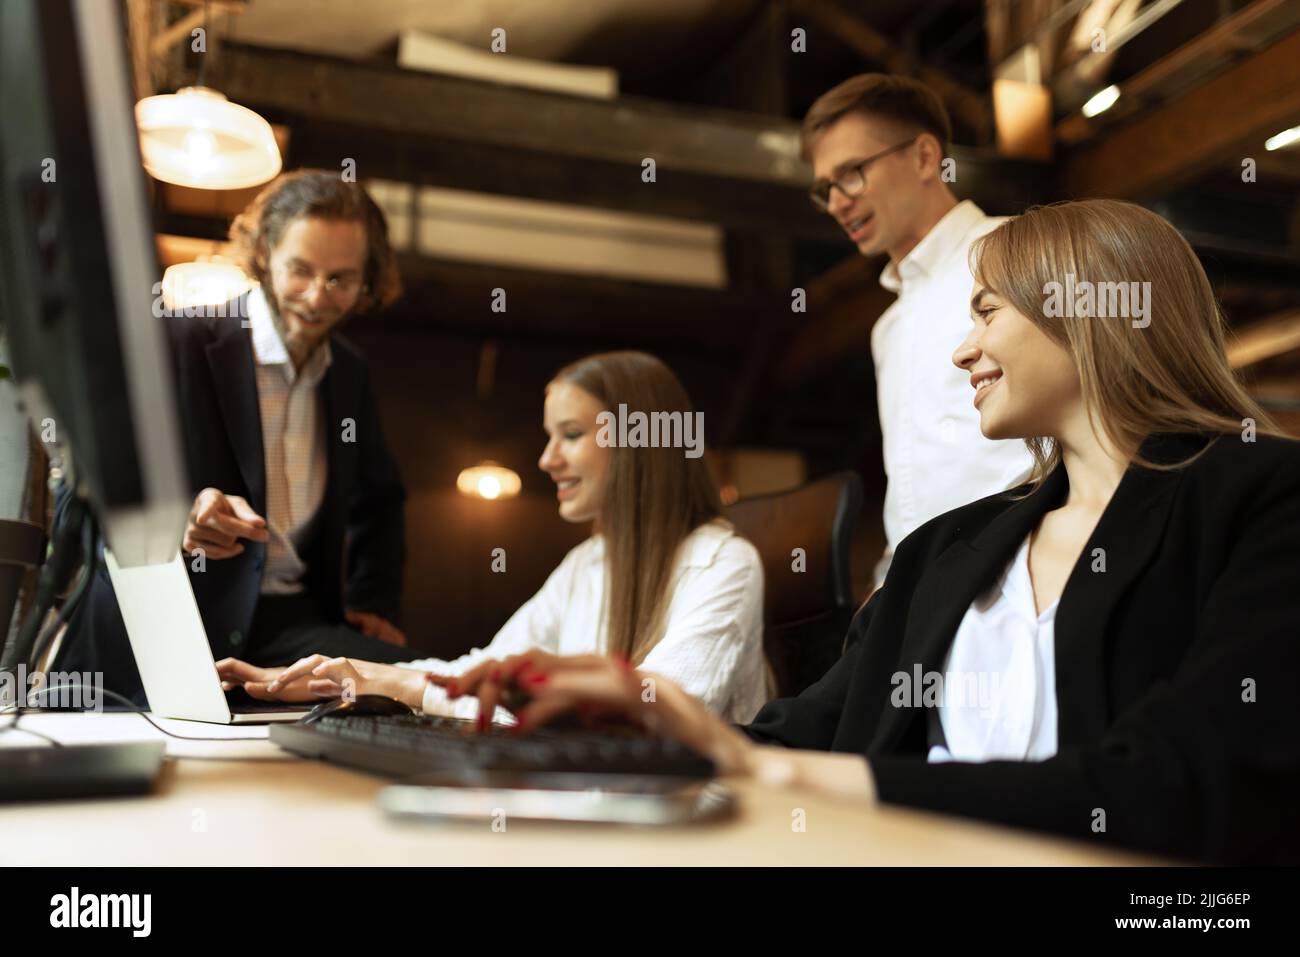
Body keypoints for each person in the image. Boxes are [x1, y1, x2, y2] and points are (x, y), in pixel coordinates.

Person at [430, 200, 1300, 864]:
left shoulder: (1262, 497)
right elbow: (794, 734)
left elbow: (1189, 783)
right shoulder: (944, 550)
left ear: (1089, 311)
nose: (963, 350)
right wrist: (633, 720)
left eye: (988, 311)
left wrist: (774, 772)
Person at [218, 351, 768, 724]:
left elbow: (649, 714)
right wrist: (346, 675)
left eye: (571, 436)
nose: (547, 459)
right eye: (550, 436)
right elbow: (486, 667)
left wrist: (402, 686)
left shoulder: (725, 563)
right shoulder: (588, 563)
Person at [56, 170, 411, 705]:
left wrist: (373, 601)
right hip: (161, 617)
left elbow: (379, 499)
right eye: (301, 271)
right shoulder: (174, 340)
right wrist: (177, 518)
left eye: (340, 279)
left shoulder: (350, 373)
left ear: (367, 280)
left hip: (287, 626)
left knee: (417, 686)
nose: (317, 297)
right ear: (266, 253)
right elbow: (82, 493)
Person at [804, 73, 1032, 584]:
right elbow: (913, 491)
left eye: (853, 172)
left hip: (1019, 574)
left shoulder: (1017, 249)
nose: (838, 201)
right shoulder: (888, 327)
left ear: (926, 157)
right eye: (826, 189)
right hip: (920, 596)